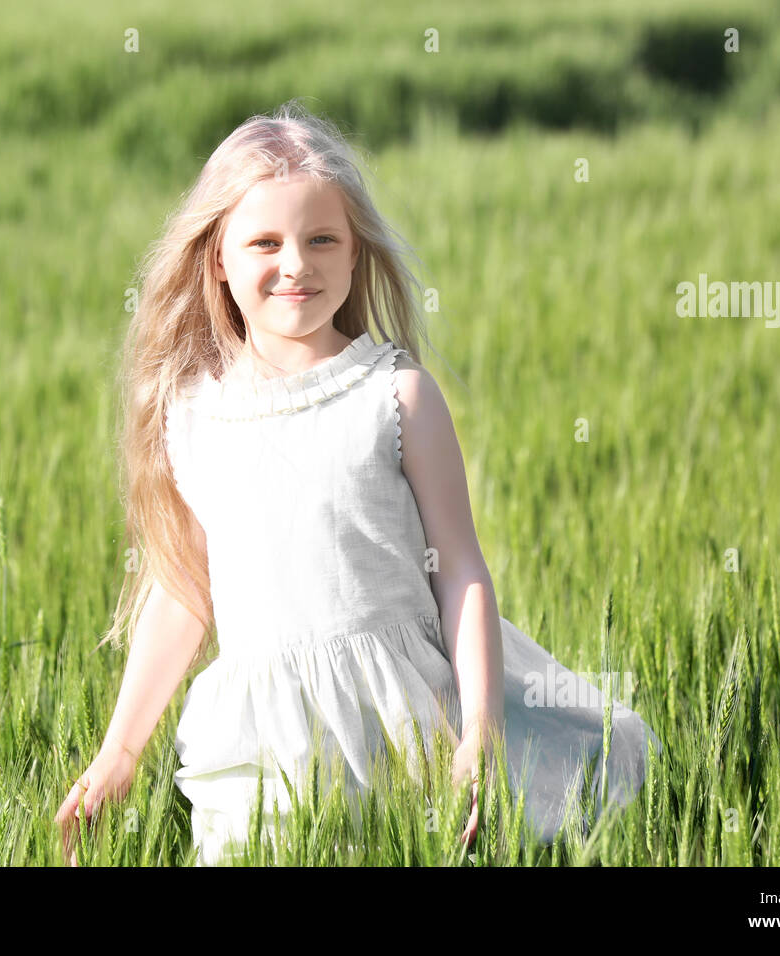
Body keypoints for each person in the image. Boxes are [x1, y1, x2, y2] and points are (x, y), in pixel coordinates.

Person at [55, 98, 662, 866]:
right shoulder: (193, 414)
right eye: (265, 242)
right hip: (262, 741)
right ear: (218, 259)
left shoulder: (395, 395)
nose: (296, 264)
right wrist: (121, 751)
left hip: (399, 719)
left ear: (353, 255)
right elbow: (184, 591)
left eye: (321, 240)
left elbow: (462, 570)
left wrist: (480, 727)